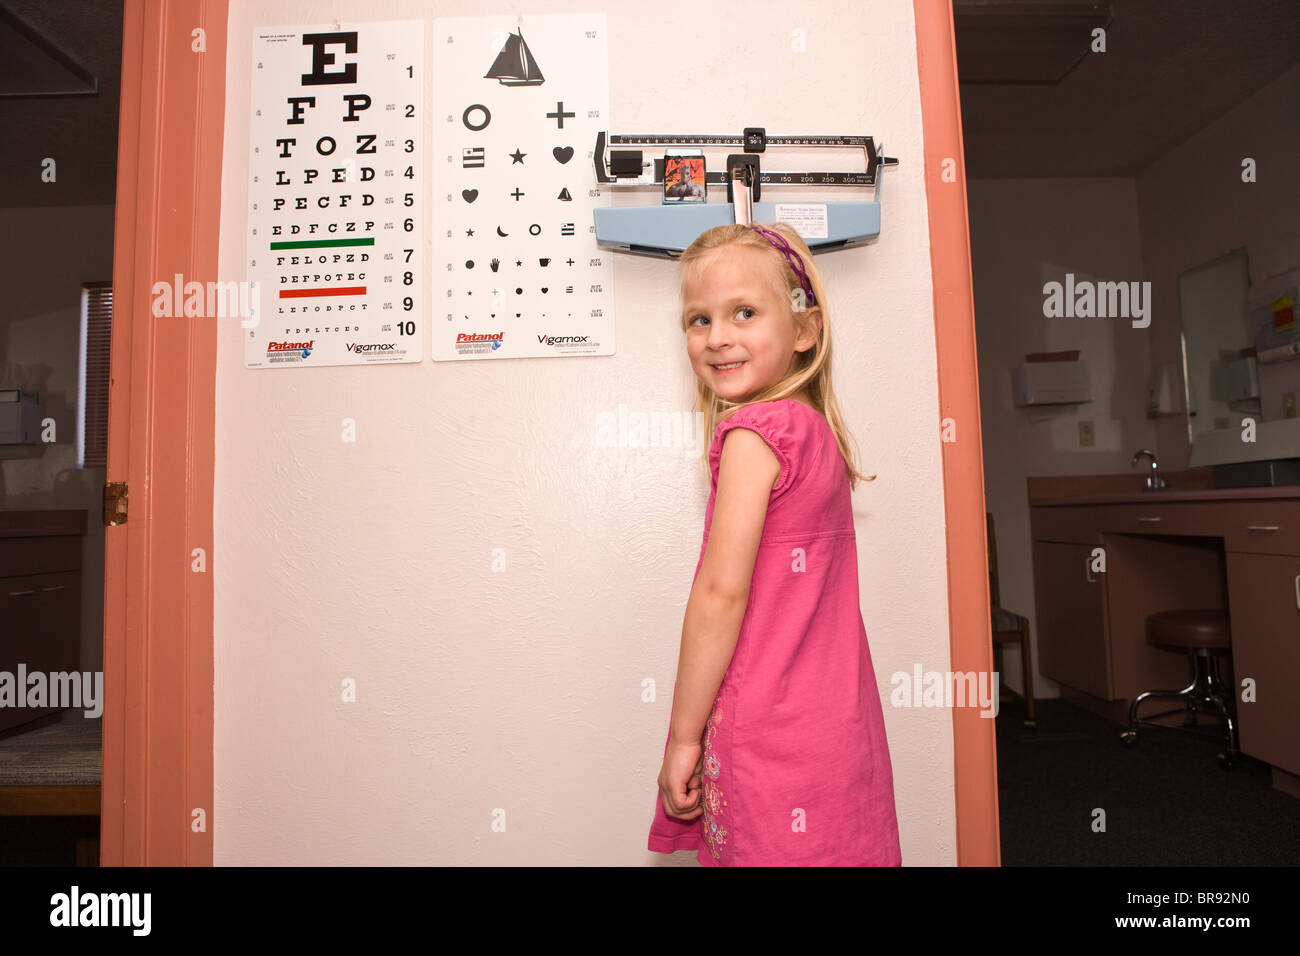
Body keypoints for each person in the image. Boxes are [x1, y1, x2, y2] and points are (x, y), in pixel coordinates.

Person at [647, 222, 902, 866]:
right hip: (837, 725)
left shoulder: (754, 435)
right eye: (698, 319)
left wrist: (682, 738)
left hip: (771, 733)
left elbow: (720, 593)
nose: (717, 336)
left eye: (744, 312)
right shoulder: (814, 433)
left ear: (805, 330)